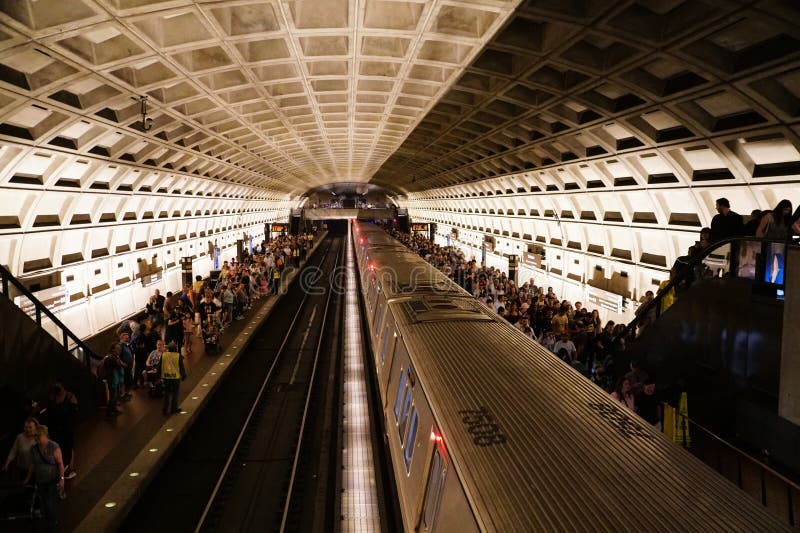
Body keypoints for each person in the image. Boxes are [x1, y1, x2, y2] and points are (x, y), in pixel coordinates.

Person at [25, 425, 65, 533]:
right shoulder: (34, 448)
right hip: (40, 481)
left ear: (45, 435)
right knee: (44, 505)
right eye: (35, 436)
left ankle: (54, 526)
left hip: (52, 481)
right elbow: (33, 464)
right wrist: (28, 478)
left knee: (49, 504)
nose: (36, 438)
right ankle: (49, 524)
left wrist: (62, 479)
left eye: (38, 436)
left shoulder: (54, 446)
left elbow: (60, 464)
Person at [45, 384, 78, 480]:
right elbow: (49, 413)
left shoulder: (70, 396)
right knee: (57, 447)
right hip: (55, 428)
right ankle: (61, 468)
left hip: (67, 428)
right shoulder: (52, 397)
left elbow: (74, 412)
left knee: (68, 447)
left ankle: (69, 468)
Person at [159, 341, 186, 415]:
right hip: (175, 378)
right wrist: (183, 375)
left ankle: (165, 410)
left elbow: (160, 366)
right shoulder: (178, 355)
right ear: (175, 348)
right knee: (175, 393)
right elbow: (181, 367)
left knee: (167, 394)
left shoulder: (164, 355)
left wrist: (158, 376)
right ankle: (173, 409)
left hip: (166, 377)